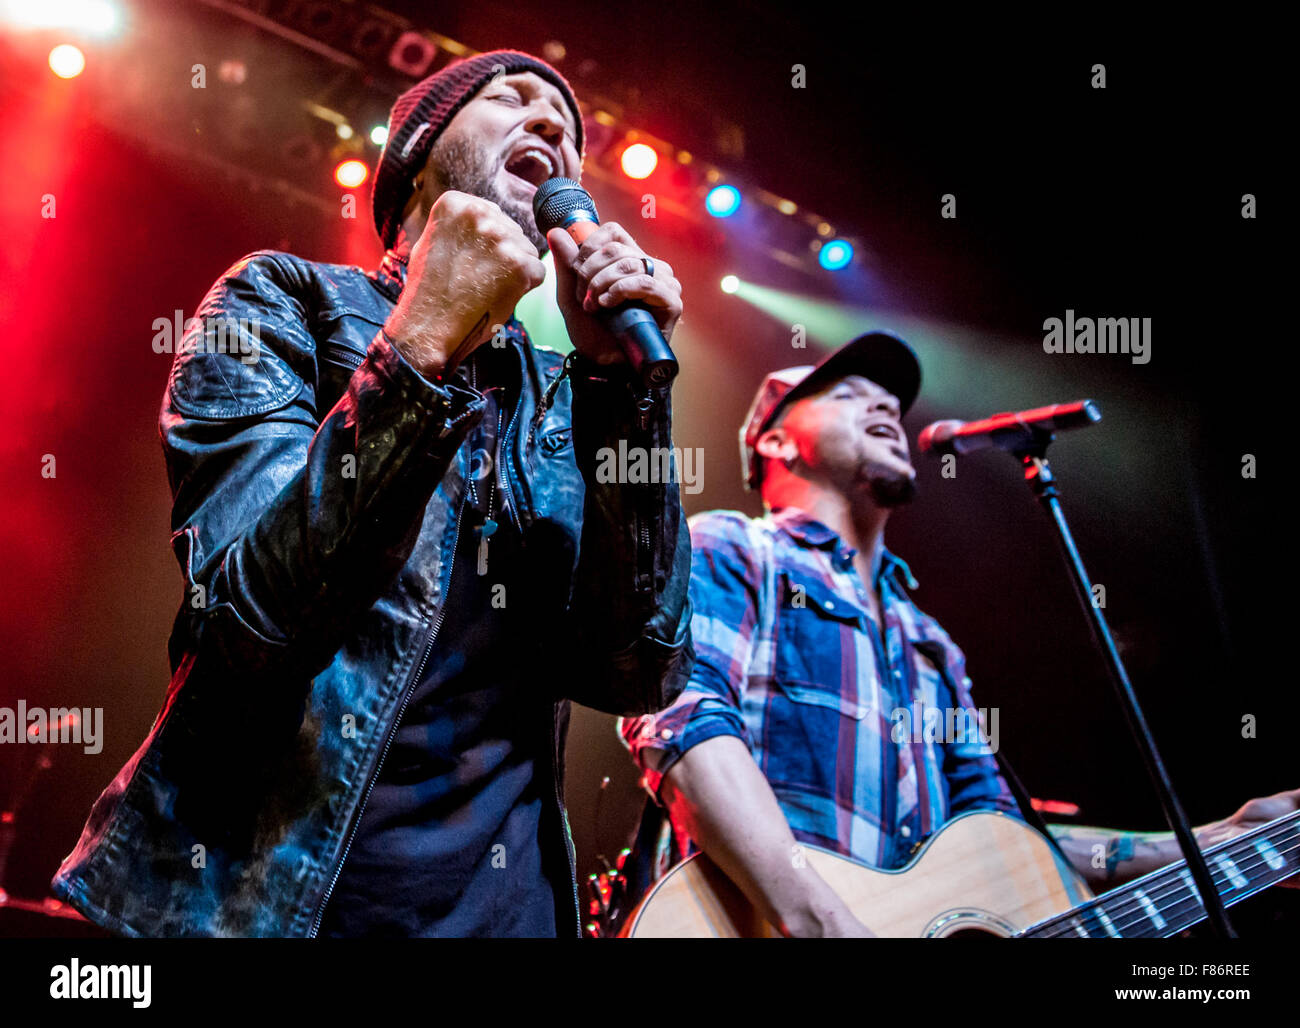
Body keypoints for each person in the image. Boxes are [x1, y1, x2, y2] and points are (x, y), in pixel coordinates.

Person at [52, 49, 693, 938]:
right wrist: (422, 343)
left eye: (570, 131)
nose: (552, 125)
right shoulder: (281, 300)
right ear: (419, 152)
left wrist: (630, 395)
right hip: (260, 910)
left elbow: (639, 669)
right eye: (511, 99)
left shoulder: (567, 397)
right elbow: (248, 616)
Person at [620, 332, 1298, 937]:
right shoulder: (732, 549)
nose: (886, 407)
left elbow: (1004, 843)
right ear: (774, 440)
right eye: (852, 395)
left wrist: (1222, 837)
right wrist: (823, 920)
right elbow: (677, 712)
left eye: (891, 400)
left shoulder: (928, 644)